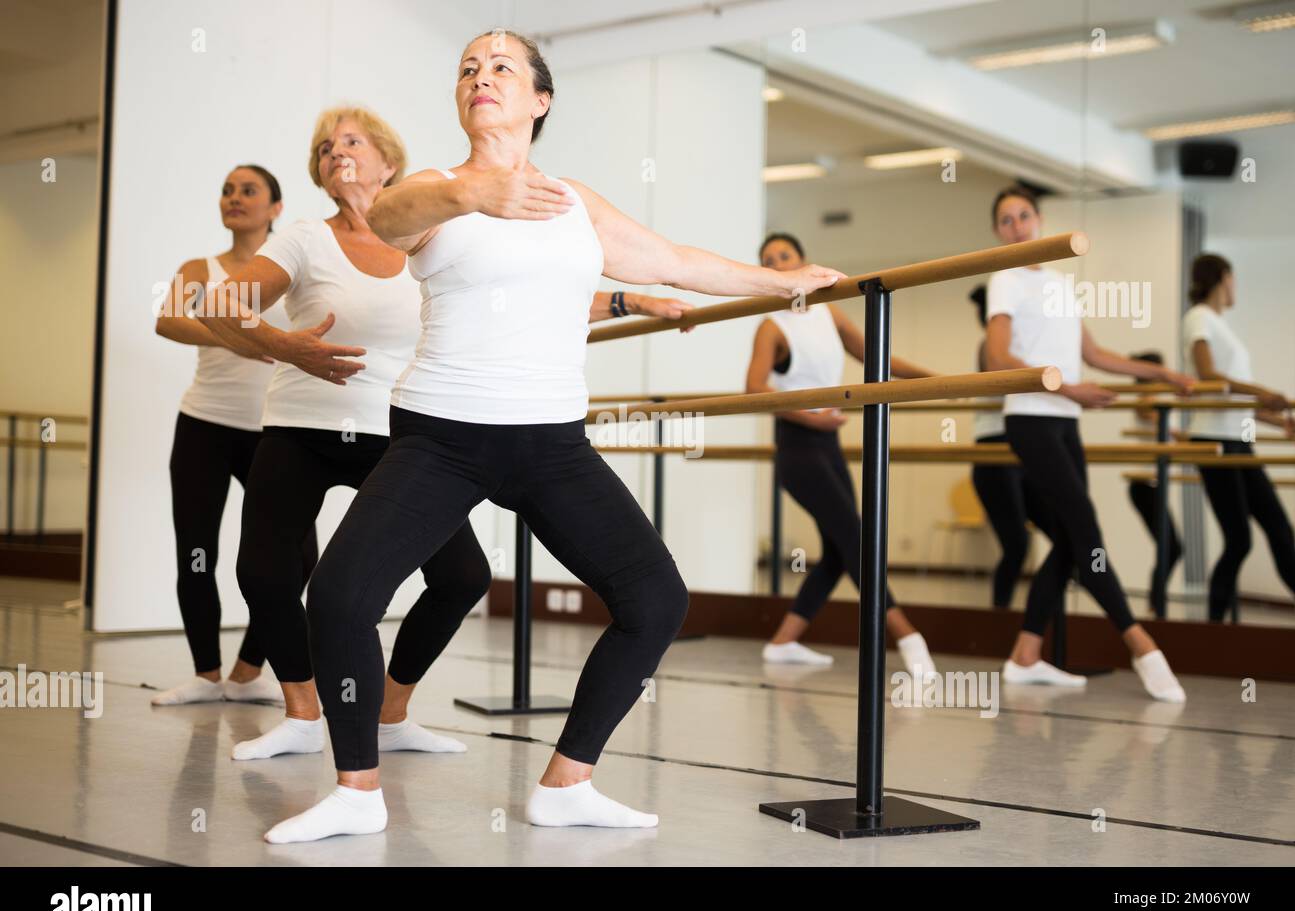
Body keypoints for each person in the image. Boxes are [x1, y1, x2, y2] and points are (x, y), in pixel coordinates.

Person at [249, 29, 846, 842]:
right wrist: (475, 195)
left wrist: (784, 284)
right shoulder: (435, 188)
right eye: (467, 68)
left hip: (552, 444)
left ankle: (569, 781)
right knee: (343, 597)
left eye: (501, 67)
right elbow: (390, 219)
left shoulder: (576, 203)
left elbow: (670, 260)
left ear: (541, 100)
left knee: (656, 600)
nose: (479, 77)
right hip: (442, 435)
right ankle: (357, 791)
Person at [196, 107, 492, 764]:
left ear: (390, 163)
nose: (338, 151)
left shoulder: (429, 237)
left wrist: (626, 301)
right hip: (301, 426)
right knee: (263, 570)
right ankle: (302, 712)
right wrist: (283, 346)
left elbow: (507, 292)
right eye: (326, 147)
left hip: (395, 432)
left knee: (463, 575)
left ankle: (390, 711)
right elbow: (215, 305)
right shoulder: (302, 239)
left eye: (353, 141)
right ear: (321, 173)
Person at [983, 185, 1193, 701]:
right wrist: (1067, 386)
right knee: (1086, 527)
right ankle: (1140, 643)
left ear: (1040, 219)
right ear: (997, 232)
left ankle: (1026, 653)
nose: (1017, 227)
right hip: (1031, 417)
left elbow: (1094, 353)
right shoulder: (1004, 279)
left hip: (1065, 422)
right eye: (1006, 220)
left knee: (1072, 536)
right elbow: (996, 359)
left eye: (1024, 216)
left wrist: (1158, 371)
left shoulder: (1058, 281)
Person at [151, 164, 313, 707]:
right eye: (227, 190)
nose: (235, 198)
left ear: (275, 208)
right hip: (203, 425)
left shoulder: (287, 269)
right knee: (196, 551)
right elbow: (168, 319)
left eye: (249, 191)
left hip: (273, 432)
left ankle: (247, 672)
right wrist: (240, 338)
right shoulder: (201, 268)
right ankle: (205, 674)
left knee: (295, 556)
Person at [745, 231, 938, 677]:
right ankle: (908, 636)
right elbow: (754, 388)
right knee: (855, 538)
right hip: (798, 451)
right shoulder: (772, 326)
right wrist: (814, 418)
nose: (777, 263)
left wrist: (937, 381)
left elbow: (877, 356)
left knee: (839, 549)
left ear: (802, 261)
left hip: (828, 446)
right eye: (768, 260)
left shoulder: (828, 313)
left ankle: (784, 641)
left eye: (784, 256)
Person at [1182, 253, 1295, 621]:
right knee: (1239, 540)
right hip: (1213, 442)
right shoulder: (1199, 317)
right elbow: (1207, 376)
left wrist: (1275, 420)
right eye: (1233, 279)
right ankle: (1214, 628)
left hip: (1237, 439)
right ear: (1223, 277)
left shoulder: (1219, 323)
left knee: (1279, 530)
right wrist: (1261, 391)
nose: (1236, 287)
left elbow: (1232, 401)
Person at [967, 284, 1054, 609]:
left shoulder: (1015, 349)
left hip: (1023, 449)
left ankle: (1041, 623)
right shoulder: (991, 348)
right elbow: (1002, 373)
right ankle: (1000, 621)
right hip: (994, 451)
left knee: (1064, 535)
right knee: (1017, 545)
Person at [1123, 350, 1185, 610]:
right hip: (1143, 487)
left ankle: (1156, 603)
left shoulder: (1155, 403)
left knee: (1171, 548)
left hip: (1152, 487)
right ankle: (1156, 604)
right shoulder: (1145, 402)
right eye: (1161, 371)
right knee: (1170, 547)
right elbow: (1149, 414)